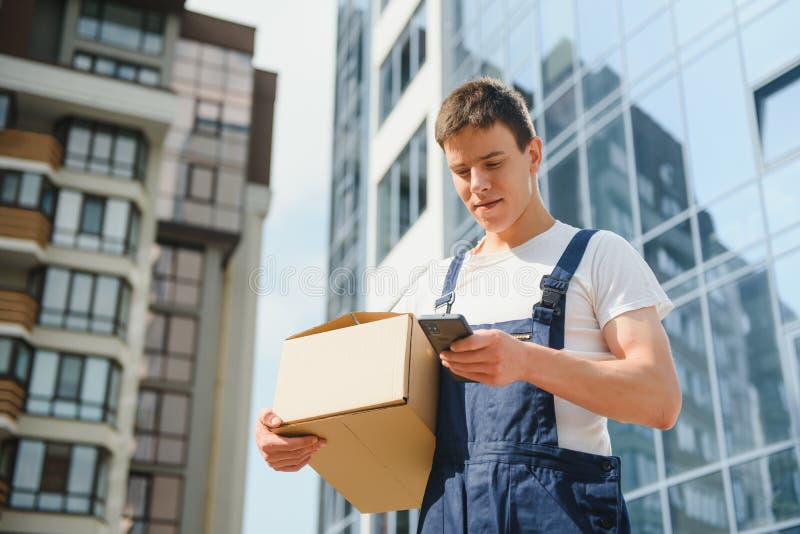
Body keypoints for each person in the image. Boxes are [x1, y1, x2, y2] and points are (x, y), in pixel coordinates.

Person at [255, 77, 681, 532]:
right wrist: (286, 430)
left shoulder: (598, 255)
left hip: (564, 516)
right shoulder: (434, 287)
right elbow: (360, 396)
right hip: (450, 516)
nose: (478, 185)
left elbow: (659, 399)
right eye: (461, 171)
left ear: (533, 155)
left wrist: (526, 361)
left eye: (493, 163)